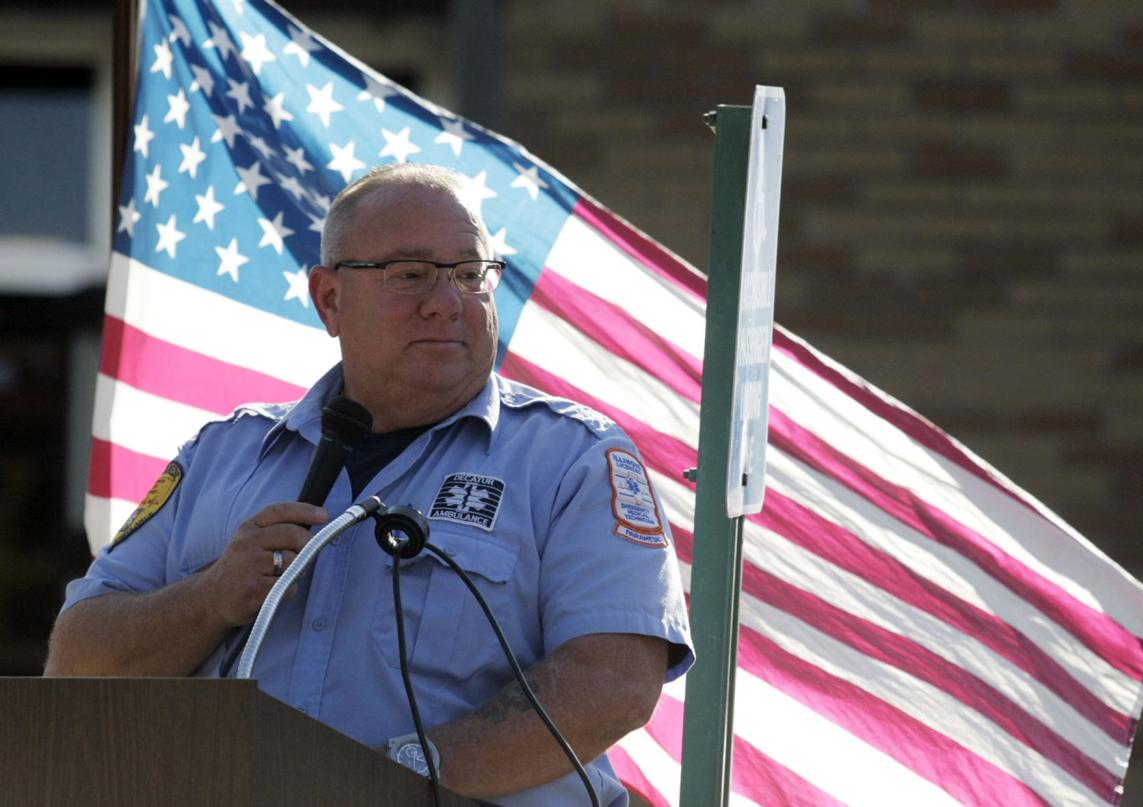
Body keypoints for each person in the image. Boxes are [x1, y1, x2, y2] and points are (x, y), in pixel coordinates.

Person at [45, 164, 693, 805]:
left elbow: (613, 683)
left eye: (471, 275)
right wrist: (212, 596)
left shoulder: (572, 460)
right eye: (410, 274)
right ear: (330, 298)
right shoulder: (222, 456)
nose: (447, 301)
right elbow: (78, 664)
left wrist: (397, 774)